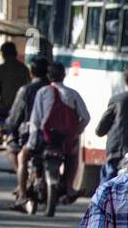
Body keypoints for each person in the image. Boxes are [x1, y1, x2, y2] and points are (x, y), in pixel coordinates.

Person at [16, 61, 90, 207]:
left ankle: (22, 194)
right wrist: (76, 132)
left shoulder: (43, 92)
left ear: (48, 76)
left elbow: (35, 121)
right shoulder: (73, 94)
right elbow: (86, 118)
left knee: (22, 156)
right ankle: (69, 188)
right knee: (73, 156)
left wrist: (32, 142)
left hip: (45, 139)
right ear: (64, 75)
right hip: (65, 141)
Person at [5, 56, 50, 183]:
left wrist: (7, 128)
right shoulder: (53, 89)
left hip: (27, 135)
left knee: (11, 149)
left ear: (31, 71)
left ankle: (22, 183)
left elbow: (14, 119)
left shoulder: (26, 90)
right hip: (53, 135)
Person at [0, 41, 30, 117]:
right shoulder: (24, 69)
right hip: (22, 109)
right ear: (15, 53)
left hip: (5, 109)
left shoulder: (1, 69)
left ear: (3, 54)